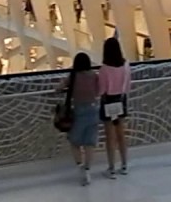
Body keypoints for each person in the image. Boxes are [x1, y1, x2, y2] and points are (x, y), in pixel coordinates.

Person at [56, 52, 100, 186]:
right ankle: (87, 169)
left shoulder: (73, 76)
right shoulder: (94, 76)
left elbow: (59, 87)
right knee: (89, 143)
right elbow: (98, 91)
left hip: (79, 111)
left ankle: (80, 166)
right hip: (93, 111)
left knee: (74, 141)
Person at [98, 36, 132, 177]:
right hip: (121, 100)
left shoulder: (104, 69)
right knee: (121, 134)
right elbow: (128, 85)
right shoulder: (125, 66)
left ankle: (111, 167)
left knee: (110, 136)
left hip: (108, 101)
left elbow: (101, 90)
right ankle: (124, 165)